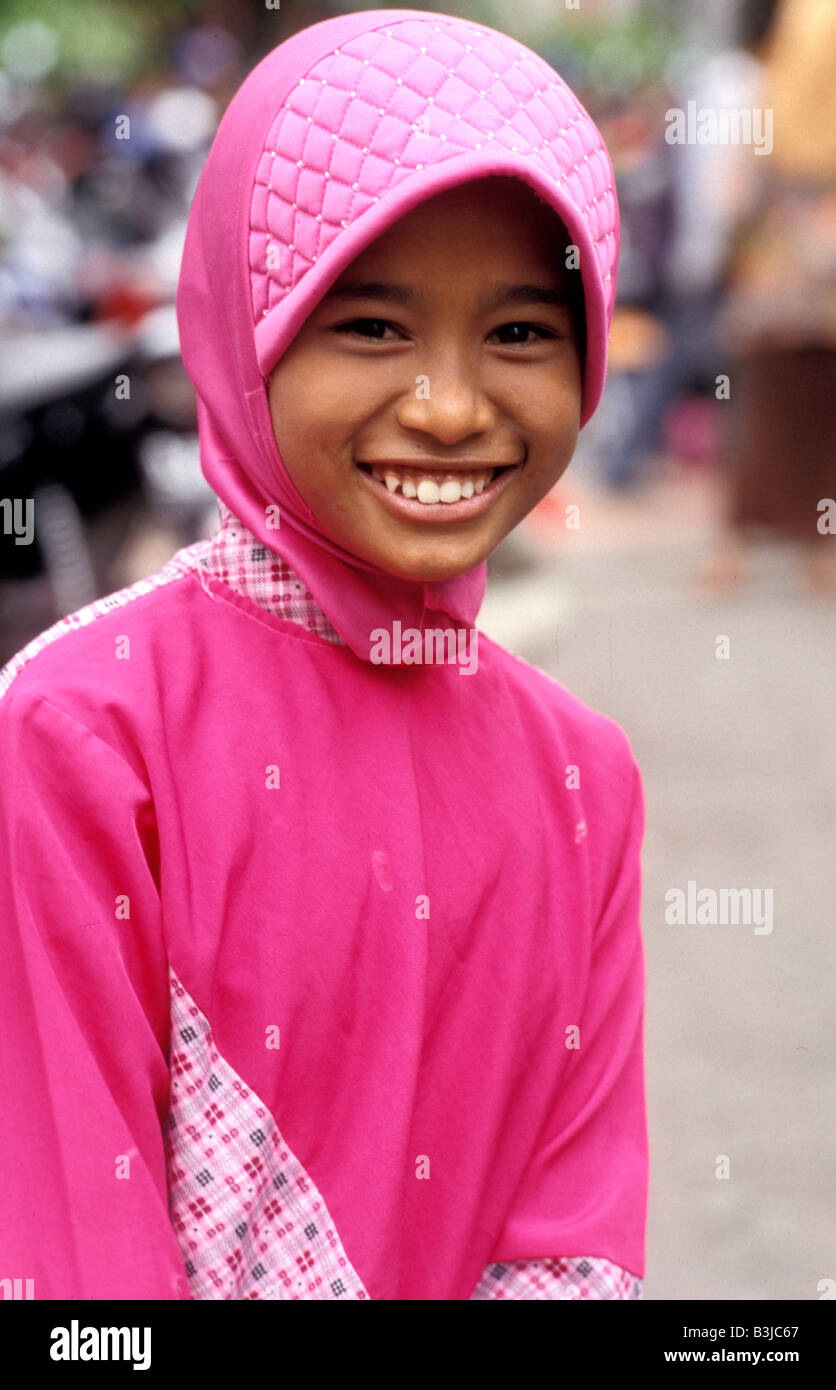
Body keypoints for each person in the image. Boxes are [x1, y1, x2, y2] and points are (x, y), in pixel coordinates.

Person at [0, 9, 647, 1300]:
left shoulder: (586, 778)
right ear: (249, 331)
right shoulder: (79, 730)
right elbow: (76, 1263)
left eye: (519, 332)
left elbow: (572, 1239)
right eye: (369, 327)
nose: (451, 406)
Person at [705, 0, 836, 592]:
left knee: (767, 416)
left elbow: (736, 199)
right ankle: (811, 550)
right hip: (828, 293)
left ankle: (737, 549)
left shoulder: (771, 95)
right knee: (821, 418)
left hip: (777, 287)